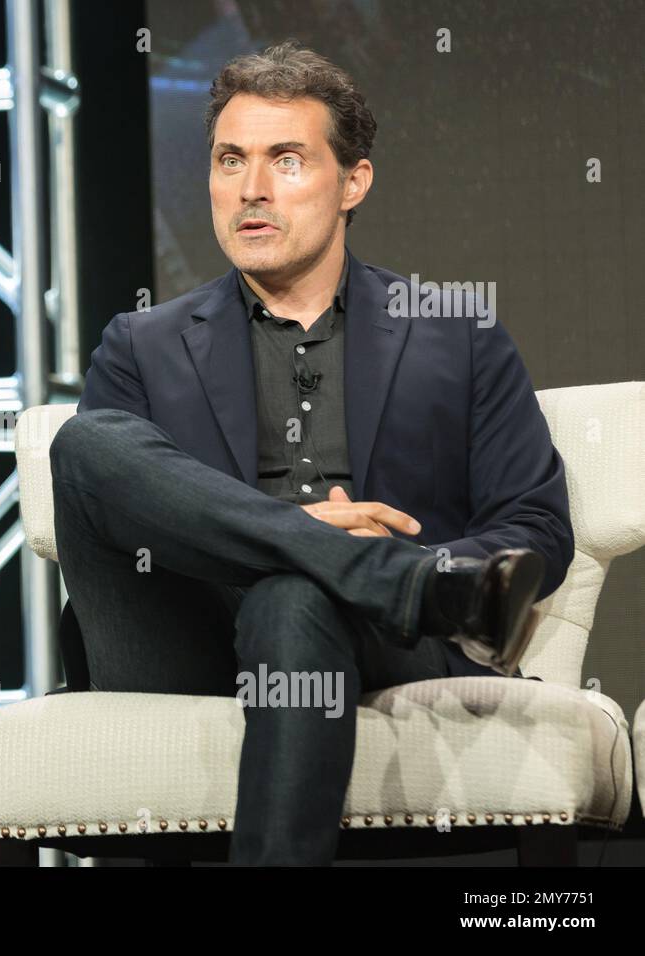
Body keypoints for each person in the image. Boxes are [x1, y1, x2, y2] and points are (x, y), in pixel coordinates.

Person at [49, 41, 573, 865]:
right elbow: (118, 519)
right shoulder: (140, 345)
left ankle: (380, 582)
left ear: (353, 182)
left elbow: (537, 528)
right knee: (85, 444)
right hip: (188, 636)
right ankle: (396, 580)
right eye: (230, 160)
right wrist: (324, 537)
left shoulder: (456, 333)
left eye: (286, 160)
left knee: (292, 600)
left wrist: (363, 563)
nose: (251, 188)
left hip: (383, 640)